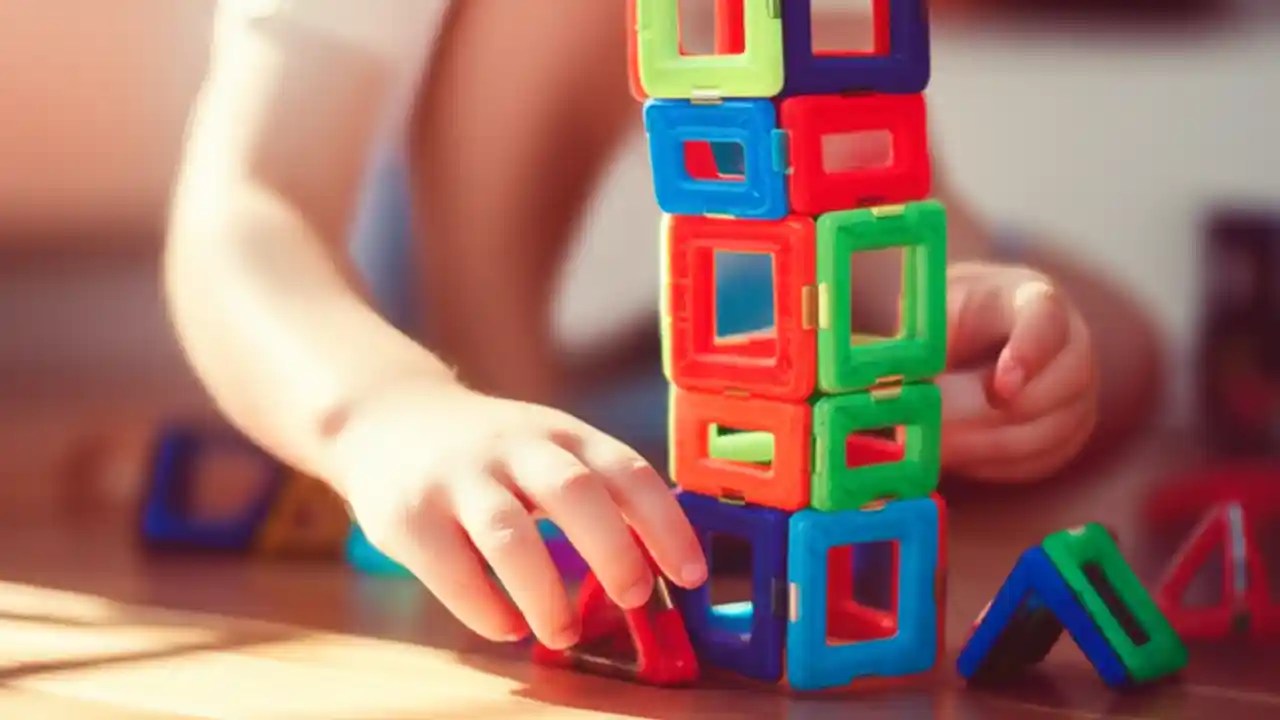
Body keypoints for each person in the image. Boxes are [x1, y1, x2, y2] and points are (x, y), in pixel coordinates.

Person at [165, 0, 1159, 653]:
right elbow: (246, 210)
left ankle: (740, 432)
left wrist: (925, 327)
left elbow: (876, 171)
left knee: (1105, 351)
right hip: (431, 317)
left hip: (733, 304)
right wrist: (387, 411)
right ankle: (504, 411)